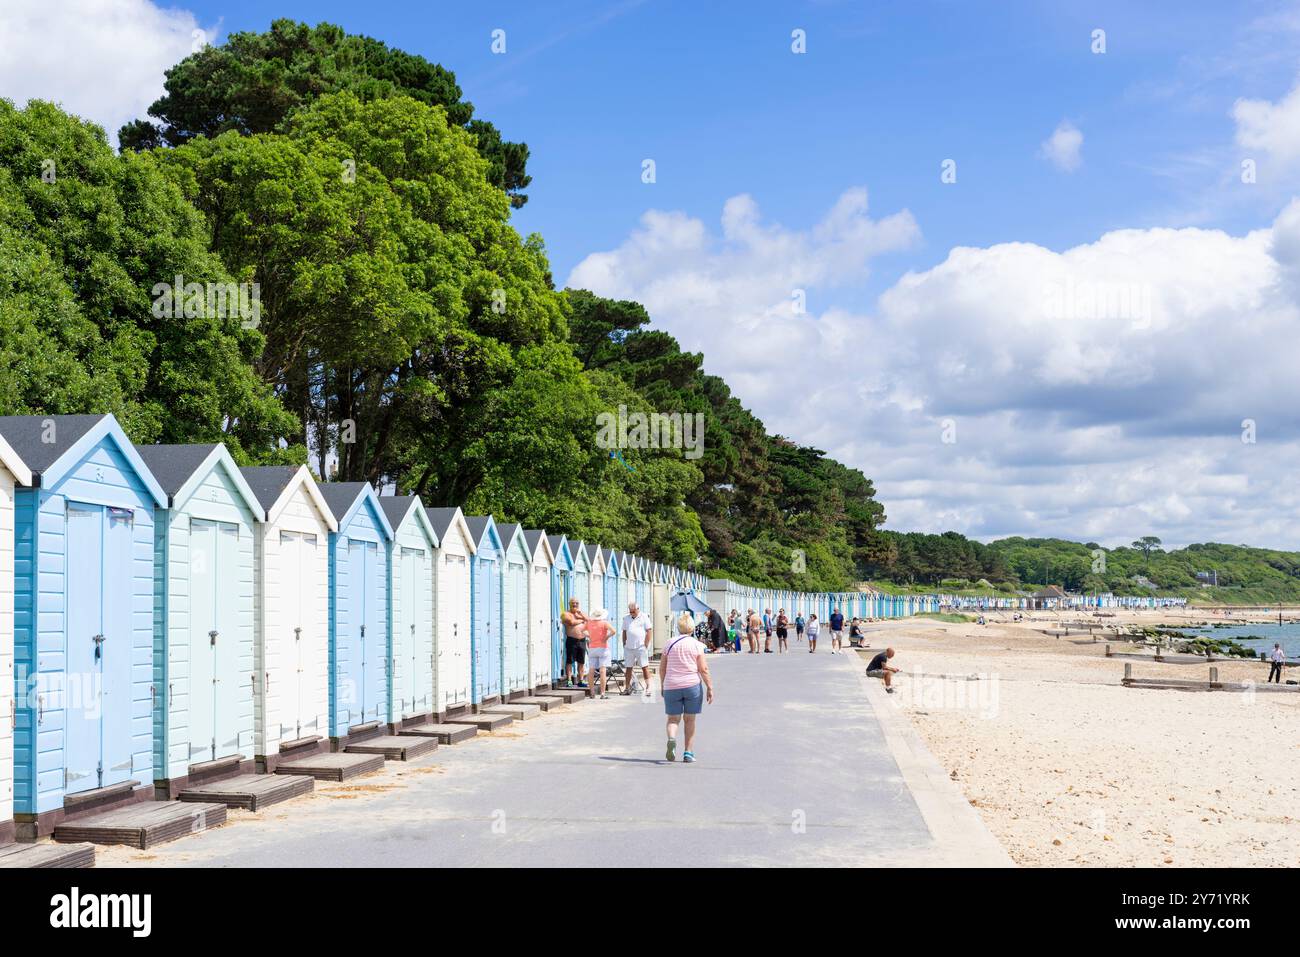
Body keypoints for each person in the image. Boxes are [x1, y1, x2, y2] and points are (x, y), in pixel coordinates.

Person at [659, 611, 714, 763]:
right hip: (692, 686)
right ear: (692, 629)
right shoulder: (697, 645)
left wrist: (663, 684)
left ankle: (671, 739)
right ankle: (688, 753)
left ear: (678, 628)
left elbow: (662, 668)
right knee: (690, 720)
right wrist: (709, 687)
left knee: (672, 719)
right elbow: (703, 669)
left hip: (671, 685)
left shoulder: (669, 643)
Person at [621, 601, 653, 695]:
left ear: (638, 609)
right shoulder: (626, 618)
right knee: (628, 668)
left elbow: (649, 631)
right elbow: (624, 631)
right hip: (629, 647)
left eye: (633, 611)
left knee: (644, 667)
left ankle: (648, 687)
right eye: (630, 611)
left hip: (640, 646)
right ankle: (627, 688)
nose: (631, 613)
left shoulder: (644, 617)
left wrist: (646, 644)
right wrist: (624, 643)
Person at [584, 608, 616, 699]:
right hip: (603, 648)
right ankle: (602, 693)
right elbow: (613, 631)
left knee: (591, 670)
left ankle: (592, 693)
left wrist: (589, 635)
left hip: (592, 648)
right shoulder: (604, 623)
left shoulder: (589, 623)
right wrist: (606, 637)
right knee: (602, 670)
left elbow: (581, 630)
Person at [561, 598, 588, 688]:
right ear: (569, 604)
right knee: (570, 661)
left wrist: (580, 615)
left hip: (582, 640)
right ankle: (569, 680)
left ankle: (581, 680)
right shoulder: (566, 614)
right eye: (573, 603)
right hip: (572, 640)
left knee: (581, 662)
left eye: (577, 603)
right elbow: (571, 622)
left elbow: (588, 620)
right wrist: (581, 620)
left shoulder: (581, 613)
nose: (575, 605)